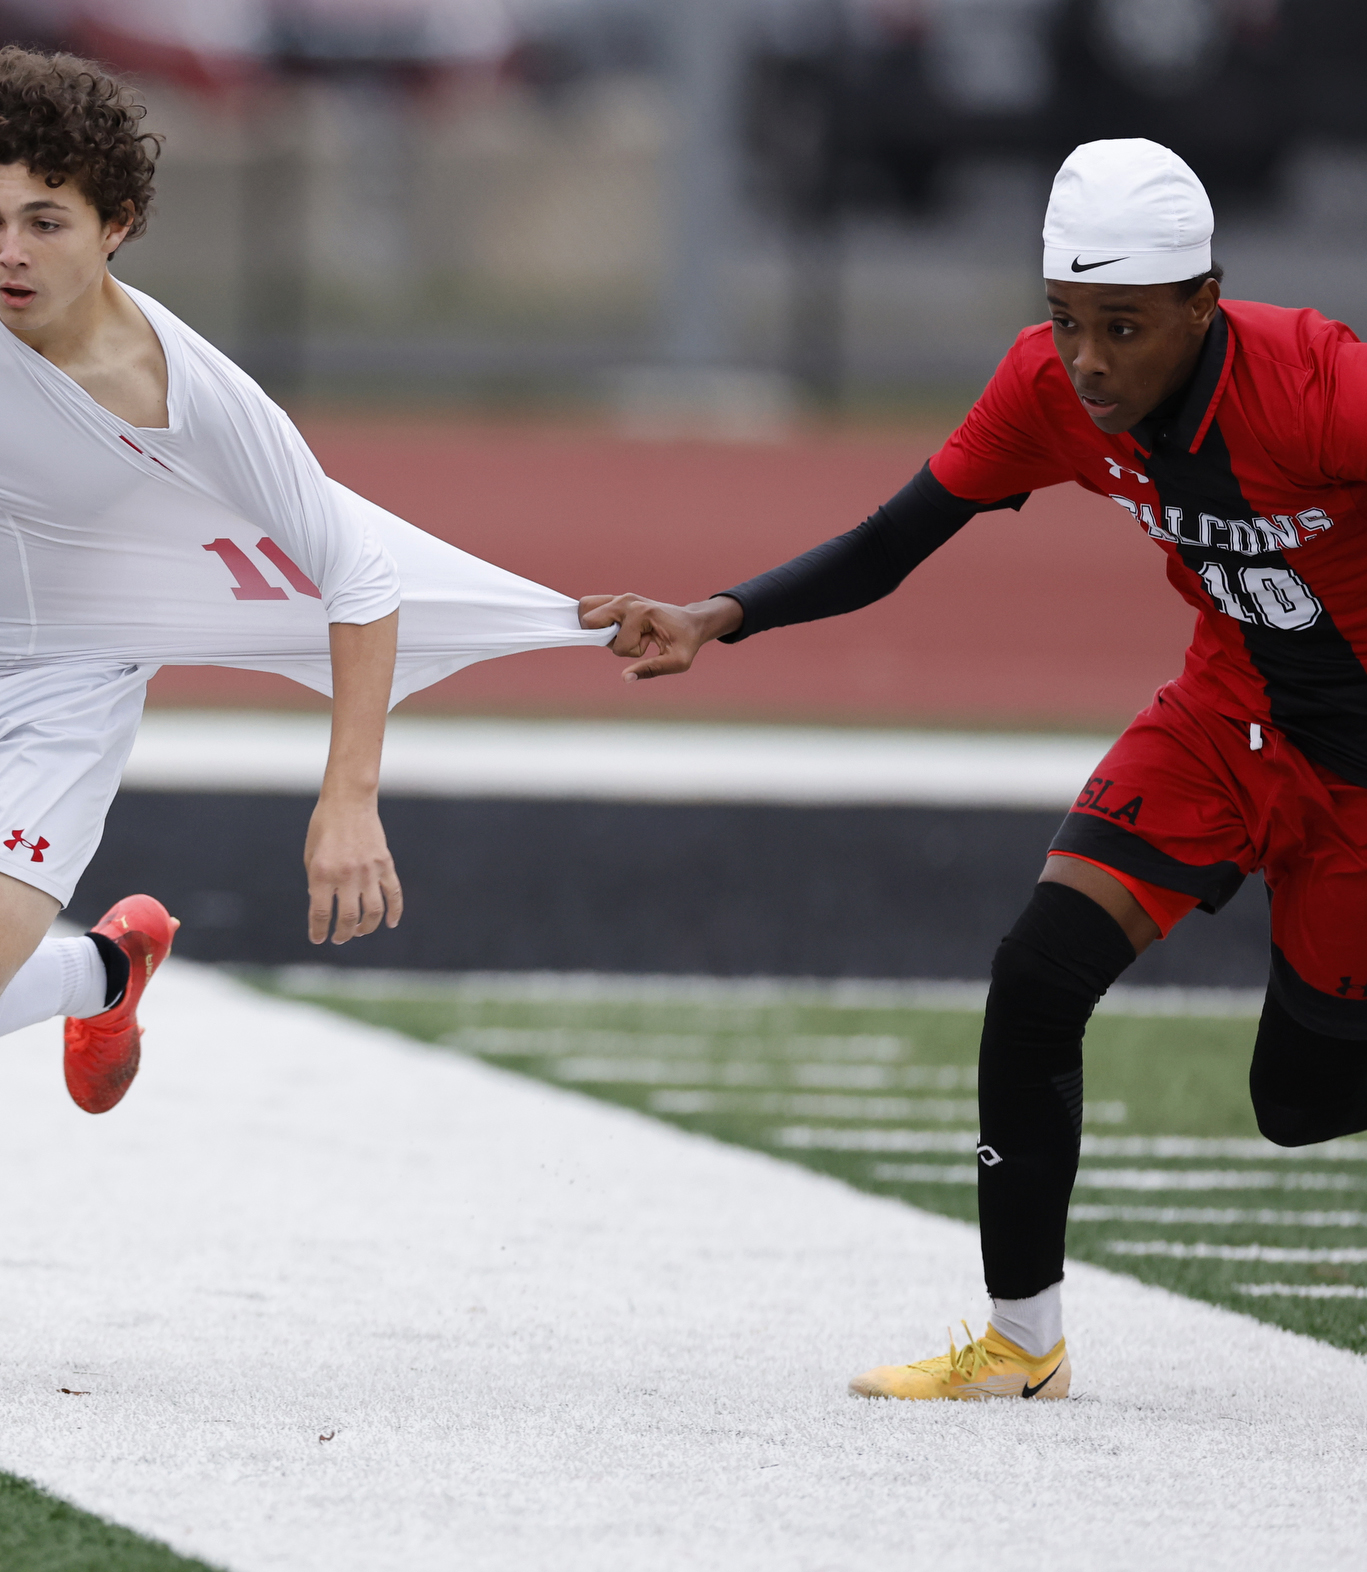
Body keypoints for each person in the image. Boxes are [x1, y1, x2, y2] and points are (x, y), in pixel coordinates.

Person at [0, 46, 608, 1392]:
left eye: (45, 221)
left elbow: (355, 578)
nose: (6, 252)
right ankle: (103, 973)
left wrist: (346, 795)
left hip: (62, 698)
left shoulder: (191, 392)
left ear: (115, 224)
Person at [580, 138, 1367, 1401]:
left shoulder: (1322, 386)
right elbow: (897, 539)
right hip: (1233, 712)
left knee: (1301, 1101)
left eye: (1124, 326)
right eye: (1065, 320)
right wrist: (720, 612)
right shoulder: (1045, 388)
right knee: (1038, 971)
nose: (1090, 361)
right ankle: (1022, 1344)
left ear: (1205, 303)